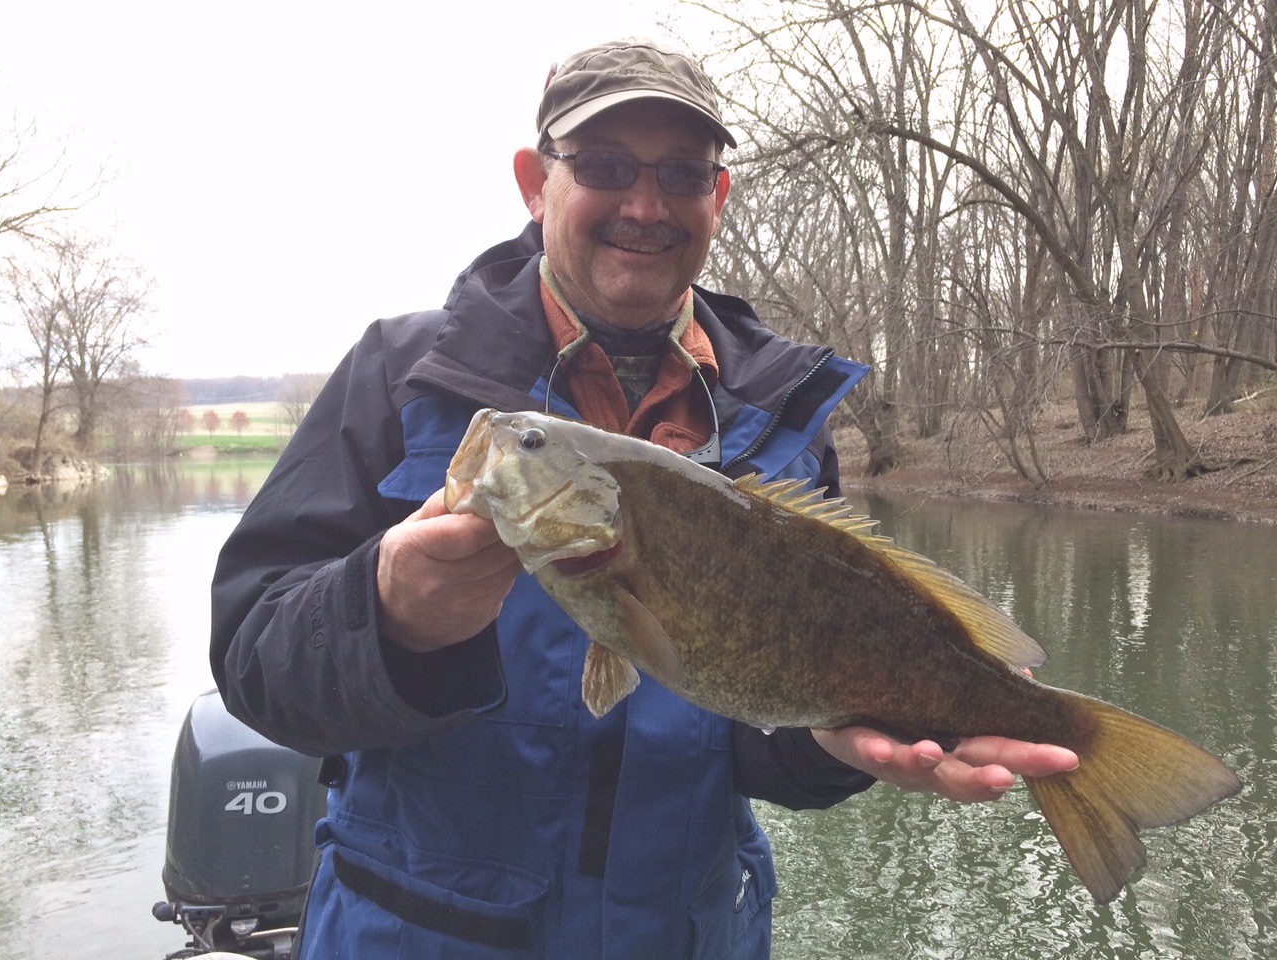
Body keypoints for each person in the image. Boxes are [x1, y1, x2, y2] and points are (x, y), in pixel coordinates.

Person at [210, 37, 1077, 959]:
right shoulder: (401, 374)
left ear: (720, 199)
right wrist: (388, 618)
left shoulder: (783, 418)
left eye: (683, 175)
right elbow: (253, 662)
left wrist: (833, 750)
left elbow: (756, 734)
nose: (646, 205)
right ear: (533, 184)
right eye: (606, 167)